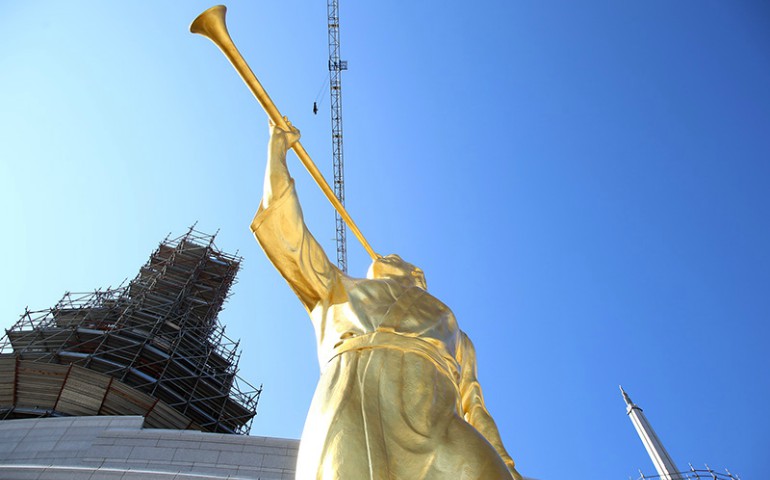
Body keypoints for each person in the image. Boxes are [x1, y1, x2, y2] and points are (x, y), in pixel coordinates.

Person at [251, 118, 522, 480]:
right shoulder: (337, 289)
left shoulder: (453, 328)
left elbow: (474, 403)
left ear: (418, 277)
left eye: (398, 259)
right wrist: (277, 152)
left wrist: (507, 465)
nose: (383, 258)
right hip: (352, 403)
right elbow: (289, 238)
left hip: (436, 419)